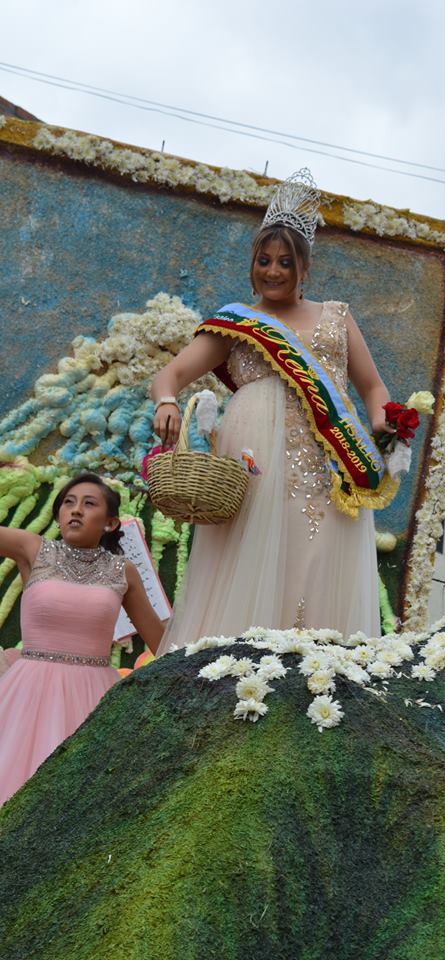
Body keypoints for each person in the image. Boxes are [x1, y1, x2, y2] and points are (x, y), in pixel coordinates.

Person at [152, 169, 398, 654]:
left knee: (321, 552)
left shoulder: (337, 316)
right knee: (252, 555)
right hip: (256, 453)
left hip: (328, 459)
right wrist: (166, 402)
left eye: (286, 261)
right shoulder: (237, 323)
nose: (273, 271)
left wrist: (384, 425)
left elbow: (372, 386)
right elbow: (171, 376)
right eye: (264, 260)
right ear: (253, 263)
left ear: (304, 267)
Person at [0, 472, 165, 805]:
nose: (75, 510)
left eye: (89, 504)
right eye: (68, 503)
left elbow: (162, 644)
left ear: (110, 522)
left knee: (78, 802)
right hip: (26, 692)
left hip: (93, 698)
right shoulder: (35, 549)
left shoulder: (122, 571)